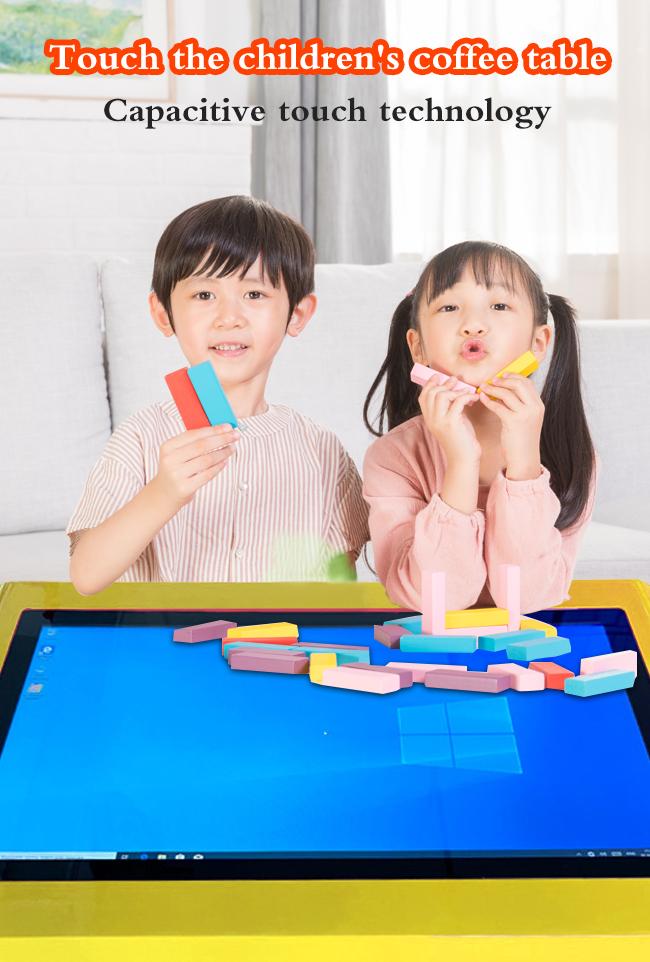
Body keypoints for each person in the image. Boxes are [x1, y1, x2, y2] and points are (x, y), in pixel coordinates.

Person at [68, 196, 368, 593]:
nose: (230, 317)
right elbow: (86, 577)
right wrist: (164, 492)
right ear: (163, 314)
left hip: (280, 651)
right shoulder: (141, 437)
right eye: (204, 295)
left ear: (297, 313)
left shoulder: (322, 451)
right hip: (169, 650)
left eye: (255, 294)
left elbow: (339, 590)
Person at [362, 241, 599, 613]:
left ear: (538, 343)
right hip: (424, 652)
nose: (473, 324)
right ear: (418, 347)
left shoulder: (572, 454)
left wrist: (524, 466)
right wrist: (460, 462)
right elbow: (438, 599)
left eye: (499, 306)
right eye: (449, 307)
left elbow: (527, 598)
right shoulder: (392, 458)